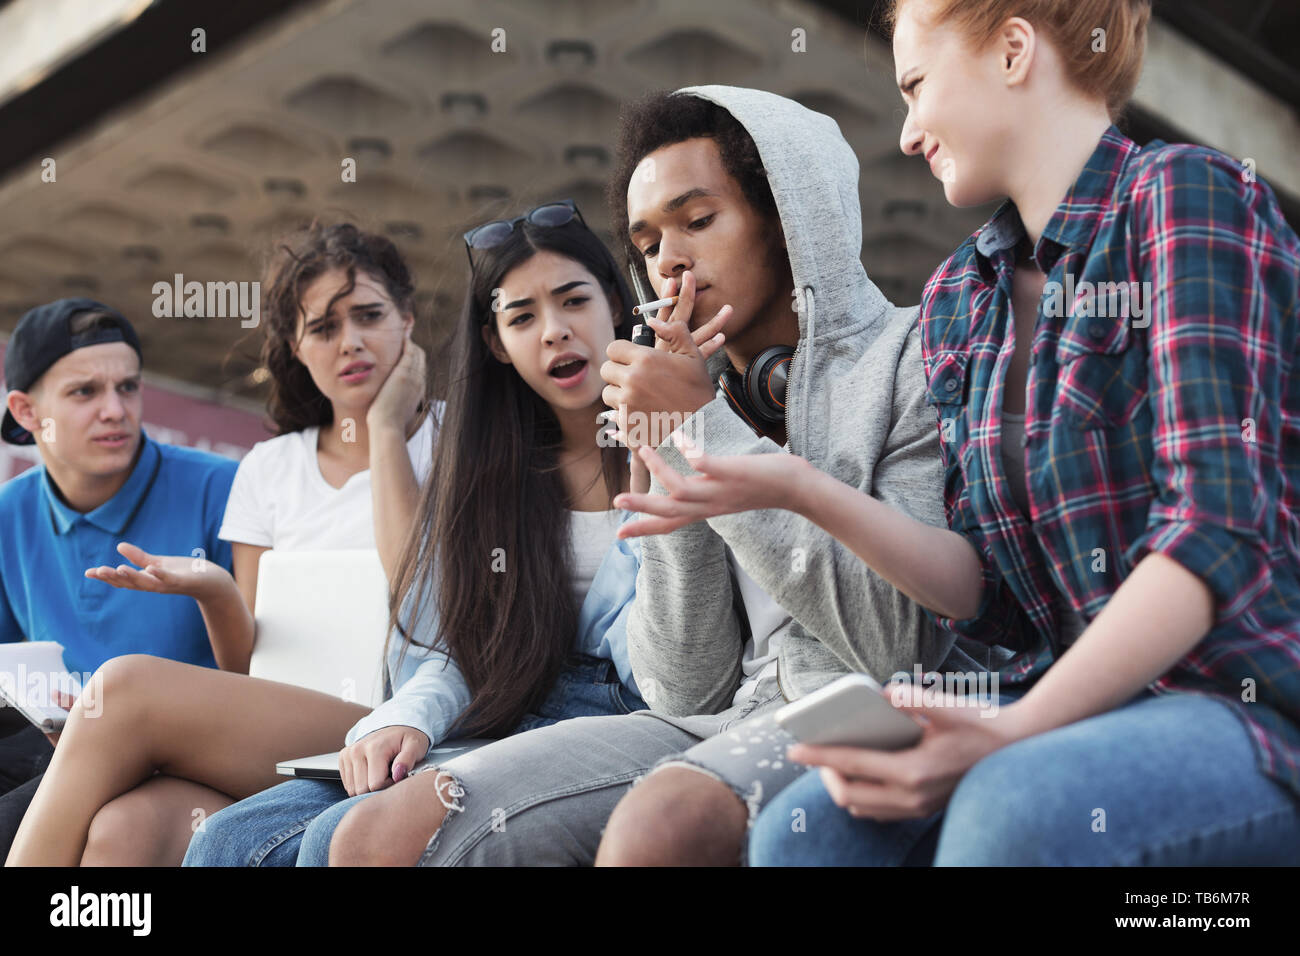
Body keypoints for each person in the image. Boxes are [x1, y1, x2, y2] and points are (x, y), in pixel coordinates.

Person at [630, 0, 1300, 865]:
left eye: (915, 86)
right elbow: (978, 586)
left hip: (1231, 699)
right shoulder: (962, 295)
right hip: (1045, 694)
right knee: (809, 838)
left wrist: (1014, 727)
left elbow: (1213, 531)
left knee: (1009, 813)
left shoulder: (1186, 200)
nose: (908, 133)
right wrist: (789, 485)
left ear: (1014, 50)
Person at [318, 85, 969, 868]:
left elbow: (895, 644)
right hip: (714, 721)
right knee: (377, 835)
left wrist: (705, 426)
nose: (671, 260)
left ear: (788, 217)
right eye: (649, 242)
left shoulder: (910, 359)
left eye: (698, 221)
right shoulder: (688, 387)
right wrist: (667, 444)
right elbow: (685, 686)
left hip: (864, 704)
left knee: (659, 828)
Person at [183, 199, 660, 866]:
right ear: (496, 342)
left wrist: (656, 479)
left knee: (340, 839)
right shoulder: (489, 469)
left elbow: (679, 669)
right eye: (521, 316)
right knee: (226, 841)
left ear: (615, 301)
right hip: (500, 709)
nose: (554, 331)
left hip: (627, 716)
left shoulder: (676, 436)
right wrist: (403, 718)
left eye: (573, 300)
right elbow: (454, 641)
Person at [5, 222, 437, 865]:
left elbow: (419, 603)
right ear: (296, 345)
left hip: (402, 718)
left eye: (370, 316)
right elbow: (248, 669)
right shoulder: (270, 467)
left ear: (407, 320)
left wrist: (384, 428)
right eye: (322, 329)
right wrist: (215, 589)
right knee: (122, 831)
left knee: (121, 689)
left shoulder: (461, 441)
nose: (351, 343)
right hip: (275, 733)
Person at [0, 298, 238, 857]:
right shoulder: (7, 513)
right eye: (85, 392)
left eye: (128, 387)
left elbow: (268, 673)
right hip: (57, 745)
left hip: (189, 758)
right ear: (27, 411)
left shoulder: (224, 488)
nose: (116, 409)